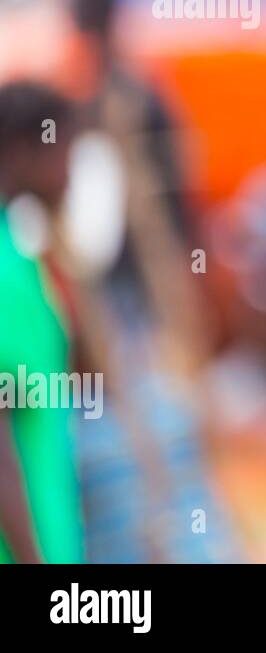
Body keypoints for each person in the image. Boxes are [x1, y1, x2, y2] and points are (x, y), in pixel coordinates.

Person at [0, 81, 84, 564]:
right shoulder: (6, 268)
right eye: (66, 151)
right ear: (22, 151)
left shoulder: (25, 256)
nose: (71, 173)